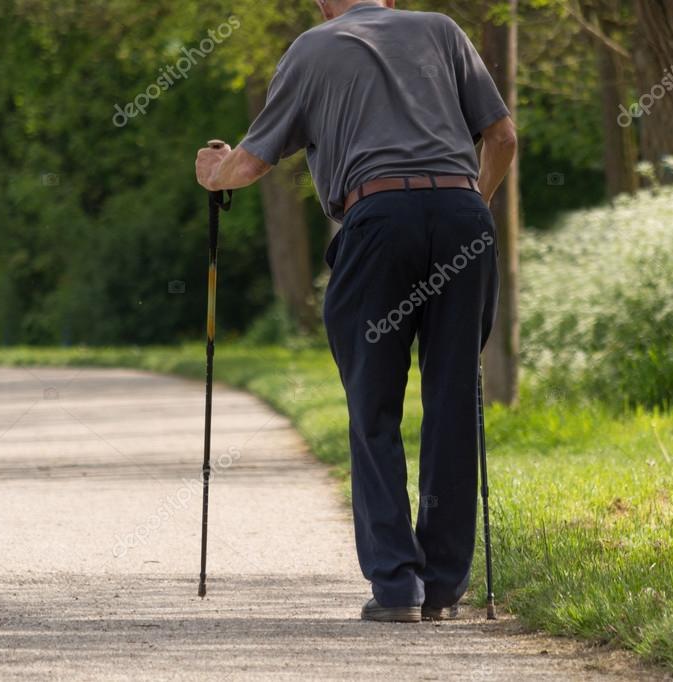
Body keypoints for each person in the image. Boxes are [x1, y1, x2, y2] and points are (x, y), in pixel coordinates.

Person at [195, 0, 516, 623]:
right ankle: (446, 587)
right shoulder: (442, 32)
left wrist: (213, 174)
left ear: (321, 2)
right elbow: (502, 137)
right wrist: (469, 204)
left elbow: (250, 164)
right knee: (453, 397)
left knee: (374, 404)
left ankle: (398, 587)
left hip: (377, 223)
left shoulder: (312, 50)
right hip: (462, 217)